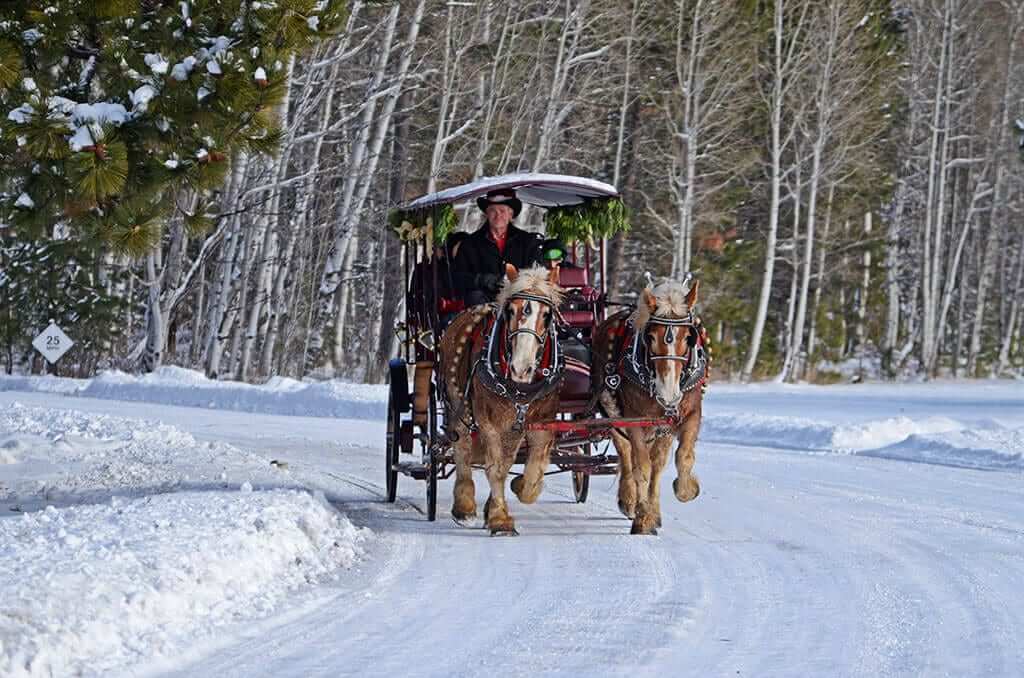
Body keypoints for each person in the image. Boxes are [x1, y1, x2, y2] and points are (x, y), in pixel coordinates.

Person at [451, 189, 547, 305]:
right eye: (493, 210)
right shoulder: (470, 244)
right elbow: (457, 277)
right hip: (484, 304)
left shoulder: (528, 242)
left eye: (502, 211)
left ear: (511, 215)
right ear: (486, 213)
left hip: (520, 302)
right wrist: (482, 279)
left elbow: (538, 273)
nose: (498, 215)